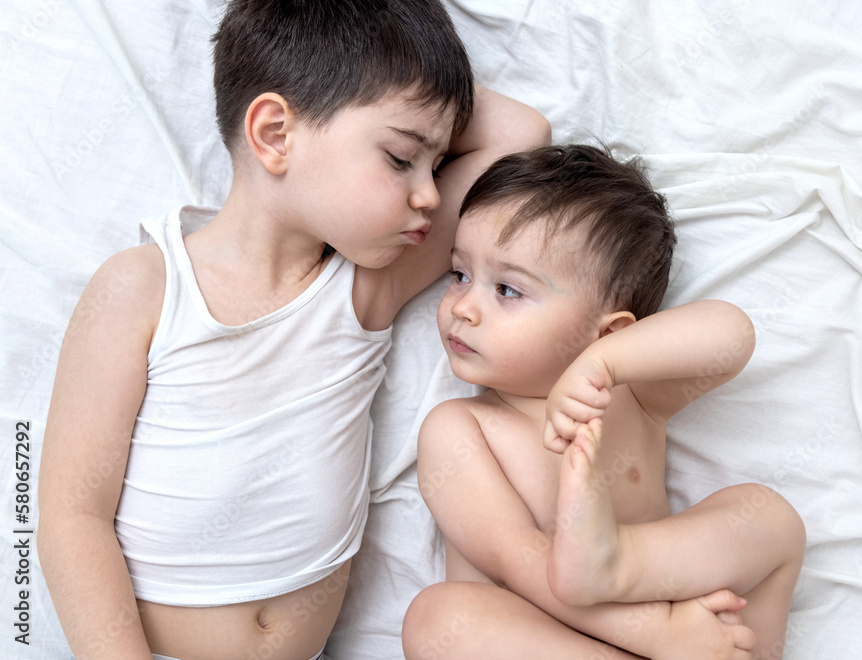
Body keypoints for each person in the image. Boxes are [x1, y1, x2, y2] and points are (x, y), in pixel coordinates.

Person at [37, 1, 550, 659]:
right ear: (275, 133)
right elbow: (72, 517)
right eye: (401, 158)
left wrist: (409, 89)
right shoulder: (143, 288)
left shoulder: (363, 290)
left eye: (438, 162)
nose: (429, 193)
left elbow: (521, 132)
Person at [402, 145, 806, 660]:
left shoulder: (629, 396)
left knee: (772, 519)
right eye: (459, 275)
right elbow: (515, 559)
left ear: (608, 333)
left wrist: (604, 365)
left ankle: (619, 562)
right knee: (440, 620)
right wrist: (657, 633)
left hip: (688, 632)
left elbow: (733, 337)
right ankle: (608, 574)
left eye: (507, 289)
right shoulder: (461, 429)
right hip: (590, 642)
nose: (463, 307)